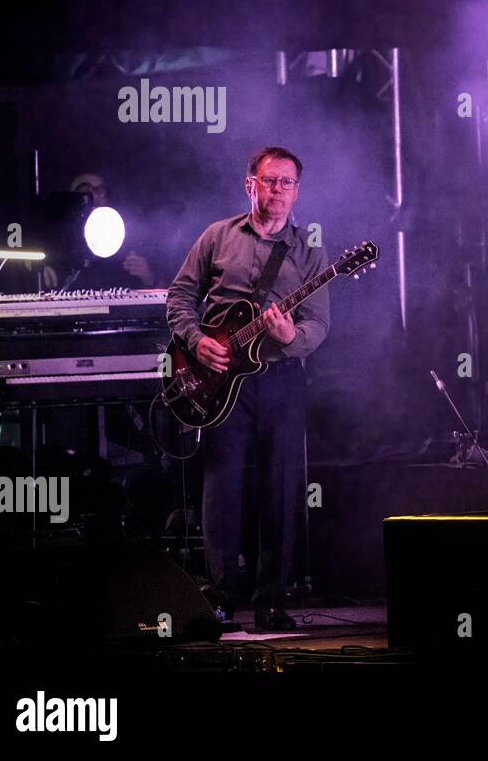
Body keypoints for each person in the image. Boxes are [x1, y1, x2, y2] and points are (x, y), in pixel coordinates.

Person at [166, 147, 330, 630]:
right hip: (218, 380)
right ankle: (218, 596)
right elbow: (179, 296)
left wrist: (290, 337)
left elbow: (318, 324)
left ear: (298, 190)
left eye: (287, 183)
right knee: (222, 487)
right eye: (269, 181)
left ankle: (271, 599)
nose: (277, 190)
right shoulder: (217, 236)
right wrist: (196, 342)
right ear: (250, 185)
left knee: (282, 487)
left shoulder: (311, 253)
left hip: (279, 378)